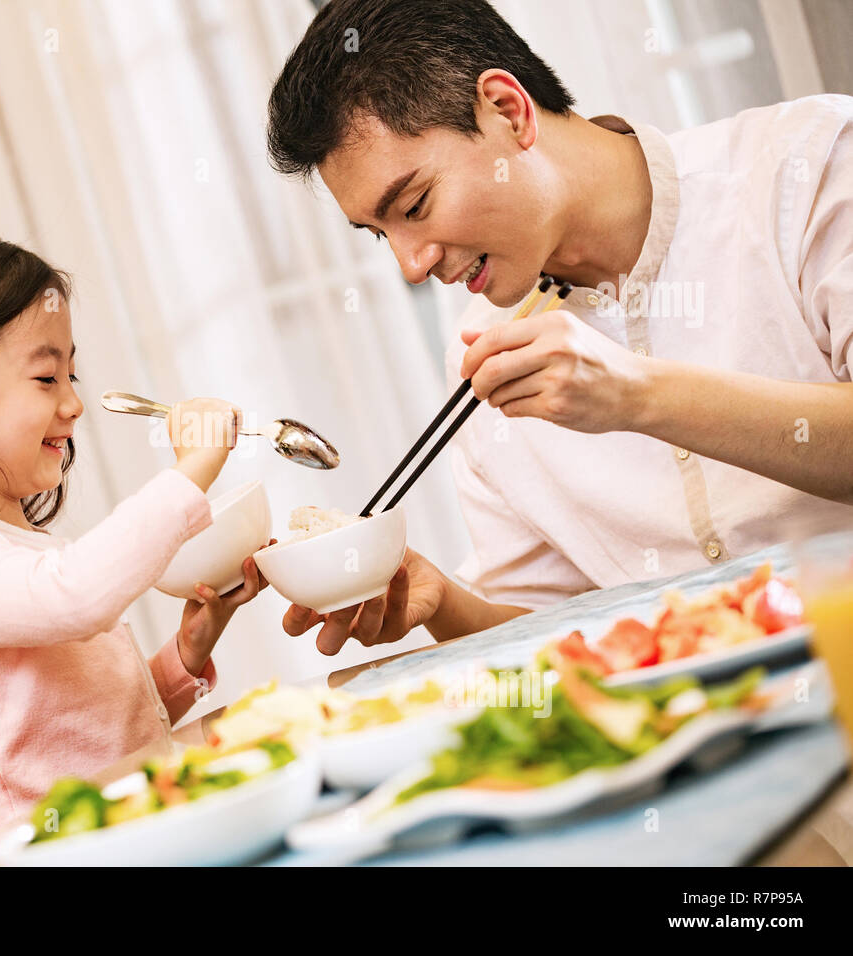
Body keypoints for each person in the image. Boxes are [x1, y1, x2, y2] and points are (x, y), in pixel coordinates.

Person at [266, 0, 853, 655]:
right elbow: (567, 639)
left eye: (415, 205)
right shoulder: (487, 350)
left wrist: (638, 395)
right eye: (381, 234)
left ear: (508, 111)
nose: (411, 264)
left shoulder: (809, 167)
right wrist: (446, 603)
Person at [0, 229, 269, 841]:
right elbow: (75, 596)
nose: (75, 403)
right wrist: (192, 472)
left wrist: (186, 656)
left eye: (72, 374)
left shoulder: (25, 552)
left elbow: (104, 737)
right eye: (47, 378)